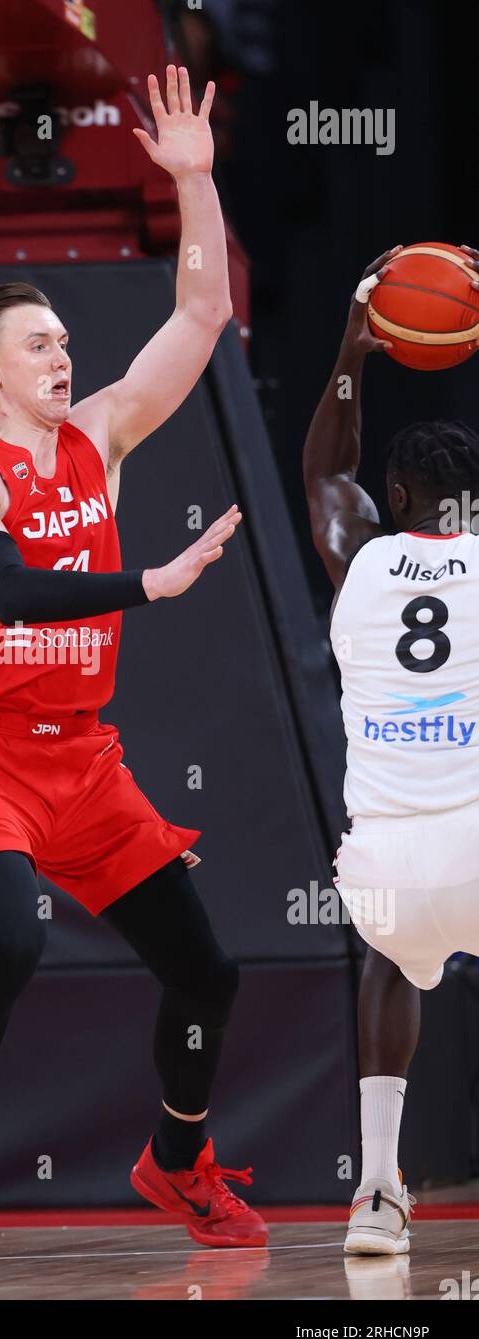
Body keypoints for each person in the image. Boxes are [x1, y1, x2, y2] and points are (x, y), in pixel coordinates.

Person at [0, 67, 268, 1263]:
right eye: (37, 344)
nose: (61, 356)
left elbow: (198, 318)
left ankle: (177, 1158)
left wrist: (193, 182)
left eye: (64, 340)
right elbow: (5, 587)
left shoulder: (98, 434)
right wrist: (143, 583)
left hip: (80, 760)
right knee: (10, 942)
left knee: (207, 968)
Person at [302, 246, 479, 1256]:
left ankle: (375, 1191)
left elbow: (326, 466)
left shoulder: (358, 558)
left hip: (385, 865)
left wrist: (353, 343)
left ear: (396, 498)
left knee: (387, 961)